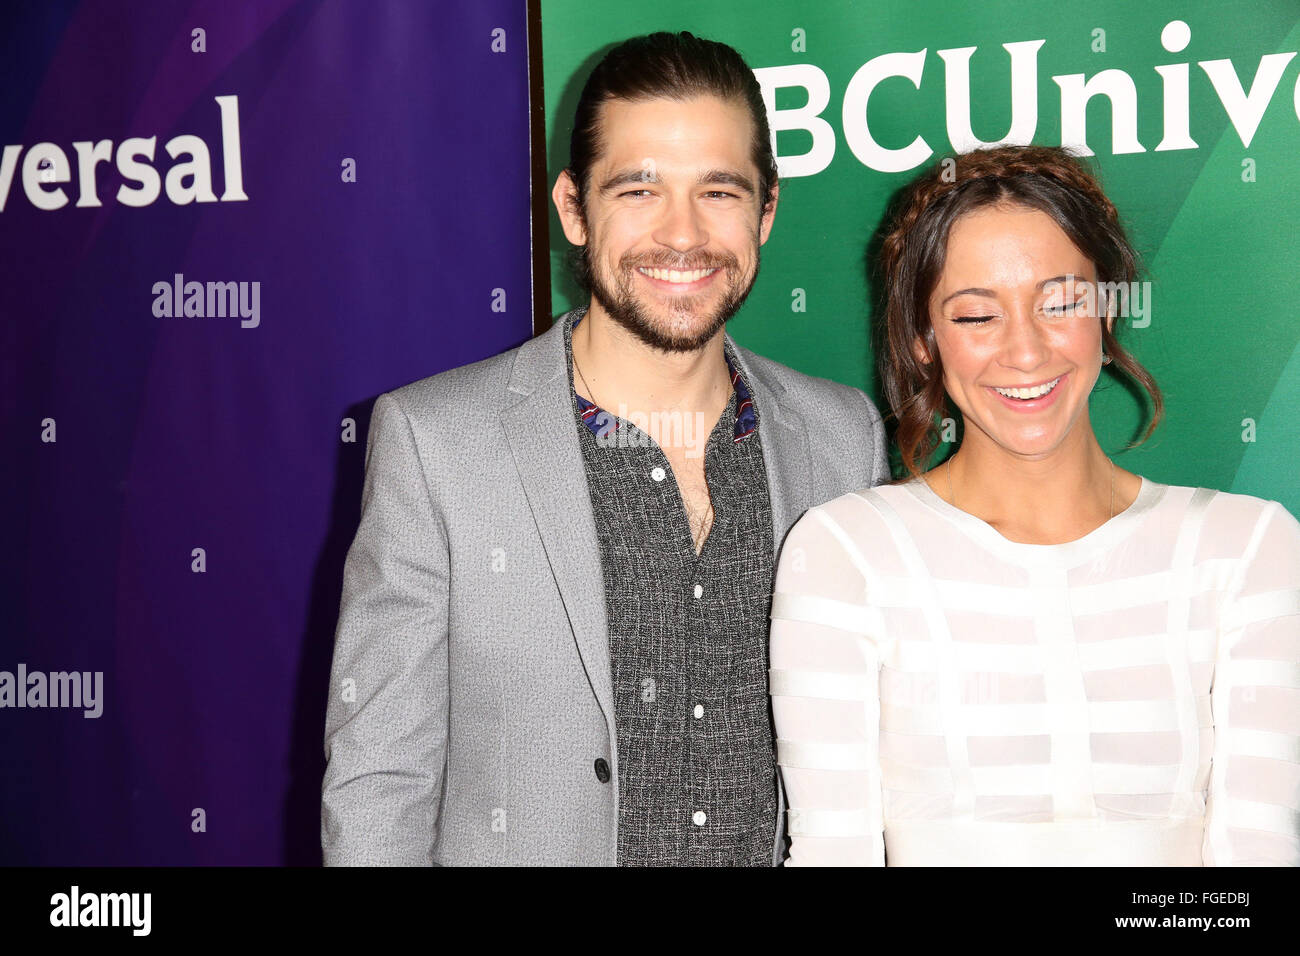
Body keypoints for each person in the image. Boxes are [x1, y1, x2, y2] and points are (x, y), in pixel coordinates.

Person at [320, 31, 889, 866]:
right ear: (574, 209)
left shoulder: (845, 439)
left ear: (766, 209)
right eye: (639, 189)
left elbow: (872, 761)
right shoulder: (436, 445)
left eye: (719, 192)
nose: (683, 235)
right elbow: (380, 783)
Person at [770, 144, 1300, 866]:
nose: (1024, 352)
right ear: (925, 341)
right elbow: (832, 854)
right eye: (976, 317)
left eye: (1059, 303)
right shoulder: (846, 554)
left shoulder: (1246, 550)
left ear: (1107, 308)